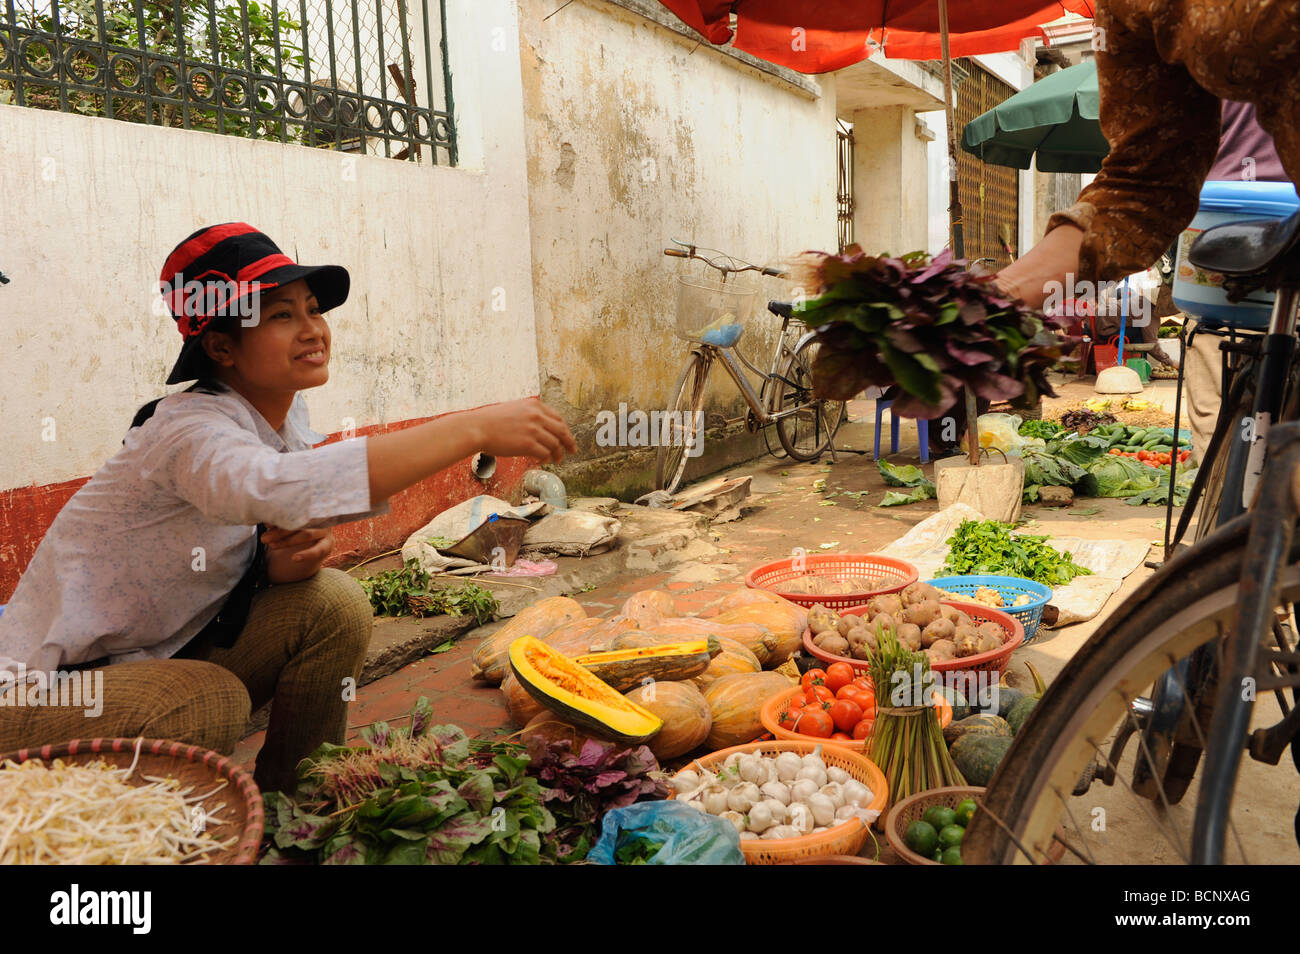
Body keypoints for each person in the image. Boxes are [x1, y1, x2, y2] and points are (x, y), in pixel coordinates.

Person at [0, 223, 577, 792]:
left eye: (312, 310)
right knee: (204, 700)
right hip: (47, 690)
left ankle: (294, 799)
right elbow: (274, 487)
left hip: (160, 650)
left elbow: (267, 522)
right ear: (221, 346)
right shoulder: (186, 431)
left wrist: (284, 565)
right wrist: (470, 427)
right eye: (281, 315)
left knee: (333, 602)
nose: (312, 330)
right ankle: (139, 847)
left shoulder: (283, 418)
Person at [993, 2, 1300, 467]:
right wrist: (994, 299)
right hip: (1226, 263)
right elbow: (1145, 181)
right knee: (1236, 471)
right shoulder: (1129, 8)